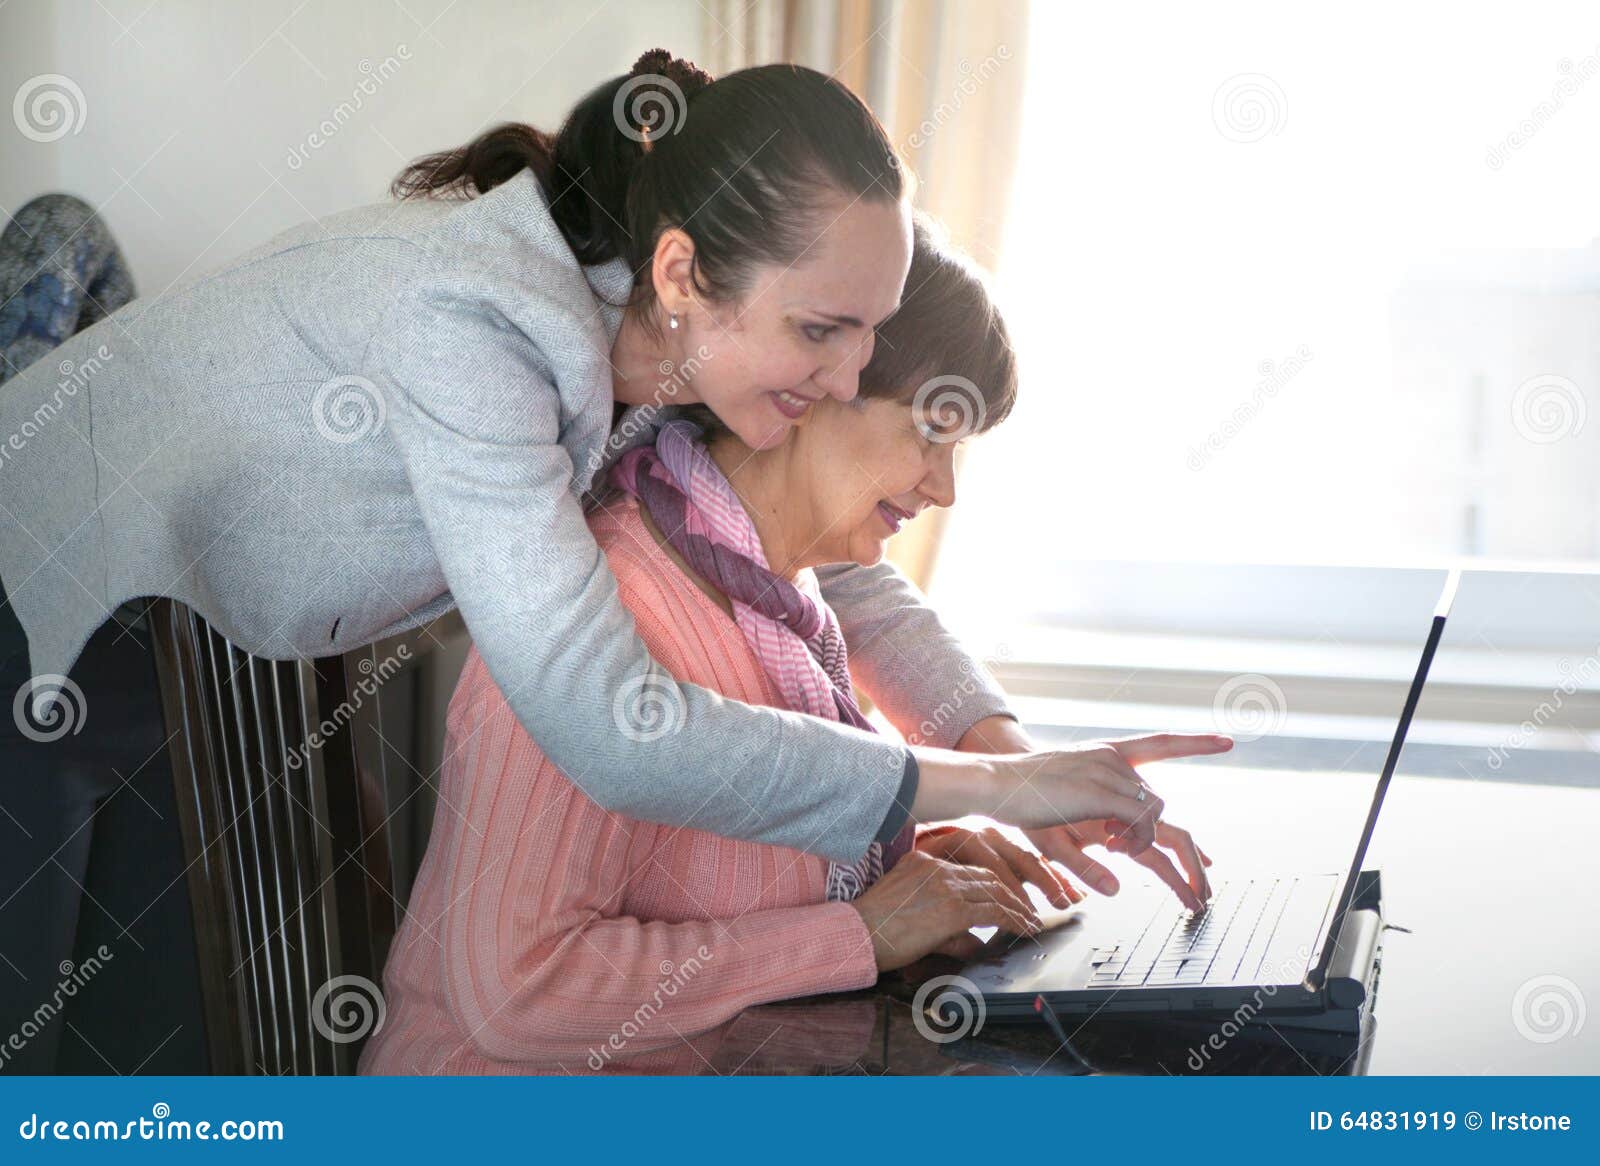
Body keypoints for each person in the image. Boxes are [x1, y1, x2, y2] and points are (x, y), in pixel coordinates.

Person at [0, 51, 1224, 1067]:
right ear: (689, 271)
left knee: (132, 1052)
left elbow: (818, 552)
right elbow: (609, 725)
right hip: (34, 586)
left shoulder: (666, 341)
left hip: (168, 608)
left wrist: (1001, 748)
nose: (852, 379)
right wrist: (982, 798)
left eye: (865, 338)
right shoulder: (475, 329)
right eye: (824, 333)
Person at [359, 221, 1220, 1075]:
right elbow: (517, 994)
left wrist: (907, 875)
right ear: (809, 388)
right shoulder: (595, 622)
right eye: (929, 432)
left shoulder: (779, 591)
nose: (945, 486)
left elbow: (733, 865)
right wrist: (858, 934)